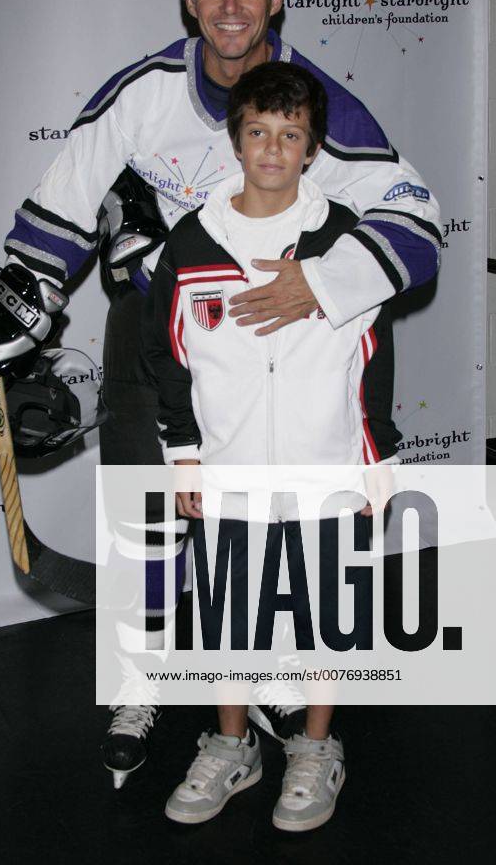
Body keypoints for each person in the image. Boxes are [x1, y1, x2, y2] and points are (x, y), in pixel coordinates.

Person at [0, 0, 441, 789]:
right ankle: (143, 680)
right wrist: (12, 315)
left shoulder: (312, 102)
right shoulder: (142, 93)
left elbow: (417, 220)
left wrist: (319, 282)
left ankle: (269, 676)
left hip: (273, 341)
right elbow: (61, 209)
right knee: (148, 515)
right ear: (188, 0)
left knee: (267, 526)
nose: (230, 7)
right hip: (158, 328)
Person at [143, 60, 400, 831]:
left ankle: (315, 748)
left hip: (327, 465)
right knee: (227, 618)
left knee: (326, 617)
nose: (272, 150)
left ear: (312, 148)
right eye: (258, 132)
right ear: (235, 139)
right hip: (227, 471)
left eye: (290, 136)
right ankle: (232, 745)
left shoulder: (343, 241)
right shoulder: (192, 242)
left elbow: (371, 358)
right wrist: (184, 456)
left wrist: (376, 458)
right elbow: (167, 359)